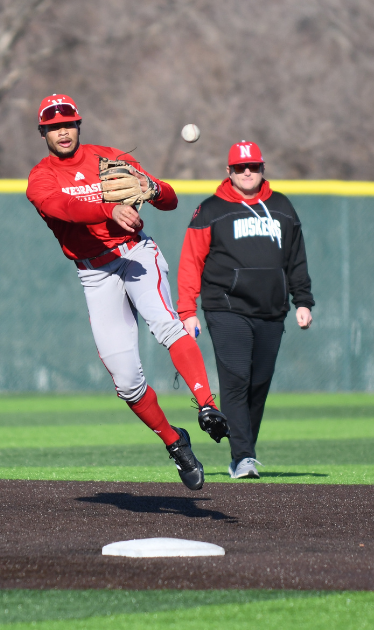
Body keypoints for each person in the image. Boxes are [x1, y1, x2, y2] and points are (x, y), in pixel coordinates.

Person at [25, 94, 229, 491]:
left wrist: (150, 186)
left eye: (68, 123)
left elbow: (169, 200)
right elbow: (62, 208)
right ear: (43, 133)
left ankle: (208, 405)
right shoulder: (41, 177)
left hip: (136, 253)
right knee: (127, 381)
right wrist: (107, 208)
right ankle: (175, 442)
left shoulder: (108, 157)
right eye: (53, 127)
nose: (63, 131)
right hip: (94, 274)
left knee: (167, 326)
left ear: (79, 126)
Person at [177, 140, 314, 479]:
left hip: (271, 310)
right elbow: (190, 262)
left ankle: (243, 450)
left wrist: (303, 301)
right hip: (226, 308)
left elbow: (296, 259)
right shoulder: (211, 209)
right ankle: (243, 457)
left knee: (259, 384)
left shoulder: (282, 206)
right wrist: (187, 310)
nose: (247, 172)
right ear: (229, 172)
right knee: (236, 379)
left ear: (262, 168)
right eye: (240, 168)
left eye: (253, 166)